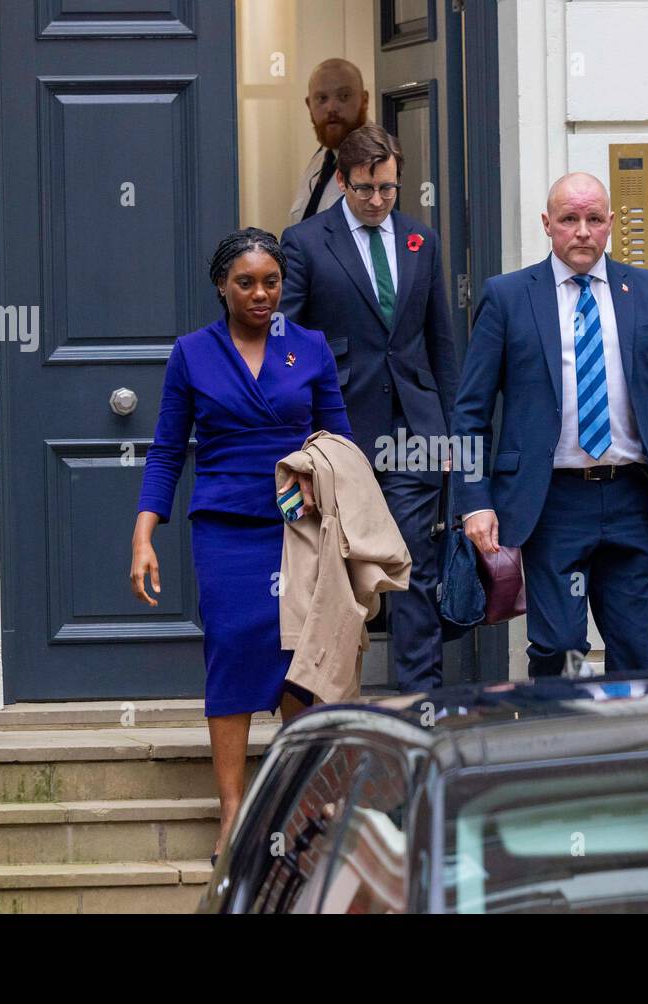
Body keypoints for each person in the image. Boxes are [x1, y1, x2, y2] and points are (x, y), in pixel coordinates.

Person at [130, 228, 352, 858]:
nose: (261, 294)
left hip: (299, 526)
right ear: (222, 287)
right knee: (231, 647)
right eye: (246, 283)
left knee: (302, 658)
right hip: (226, 527)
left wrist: (321, 479)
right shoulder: (192, 354)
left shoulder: (308, 347)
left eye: (271, 282)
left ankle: (305, 801)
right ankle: (232, 810)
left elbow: (341, 444)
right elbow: (167, 450)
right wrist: (144, 533)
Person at [452, 173, 648, 677]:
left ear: (610, 223)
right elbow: (470, 412)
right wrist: (475, 501)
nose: (583, 231)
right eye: (569, 219)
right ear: (547, 224)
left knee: (635, 653)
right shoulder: (508, 297)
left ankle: (627, 731)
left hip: (634, 499)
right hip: (552, 502)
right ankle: (559, 728)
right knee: (559, 648)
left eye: (594, 219)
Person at [279, 123, 458, 693]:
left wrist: (451, 434)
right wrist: (298, 440)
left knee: (414, 567)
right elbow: (287, 345)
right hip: (341, 432)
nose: (377, 200)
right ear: (342, 181)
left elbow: (440, 343)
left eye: (388, 188)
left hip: (413, 430)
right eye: (365, 188)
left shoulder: (421, 240)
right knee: (338, 573)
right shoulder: (305, 242)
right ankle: (334, 697)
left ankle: (420, 704)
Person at [288, 59, 370, 226]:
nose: (332, 107)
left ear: (364, 100)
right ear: (309, 105)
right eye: (322, 98)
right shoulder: (318, 162)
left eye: (344, 96)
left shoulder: (381, 159)